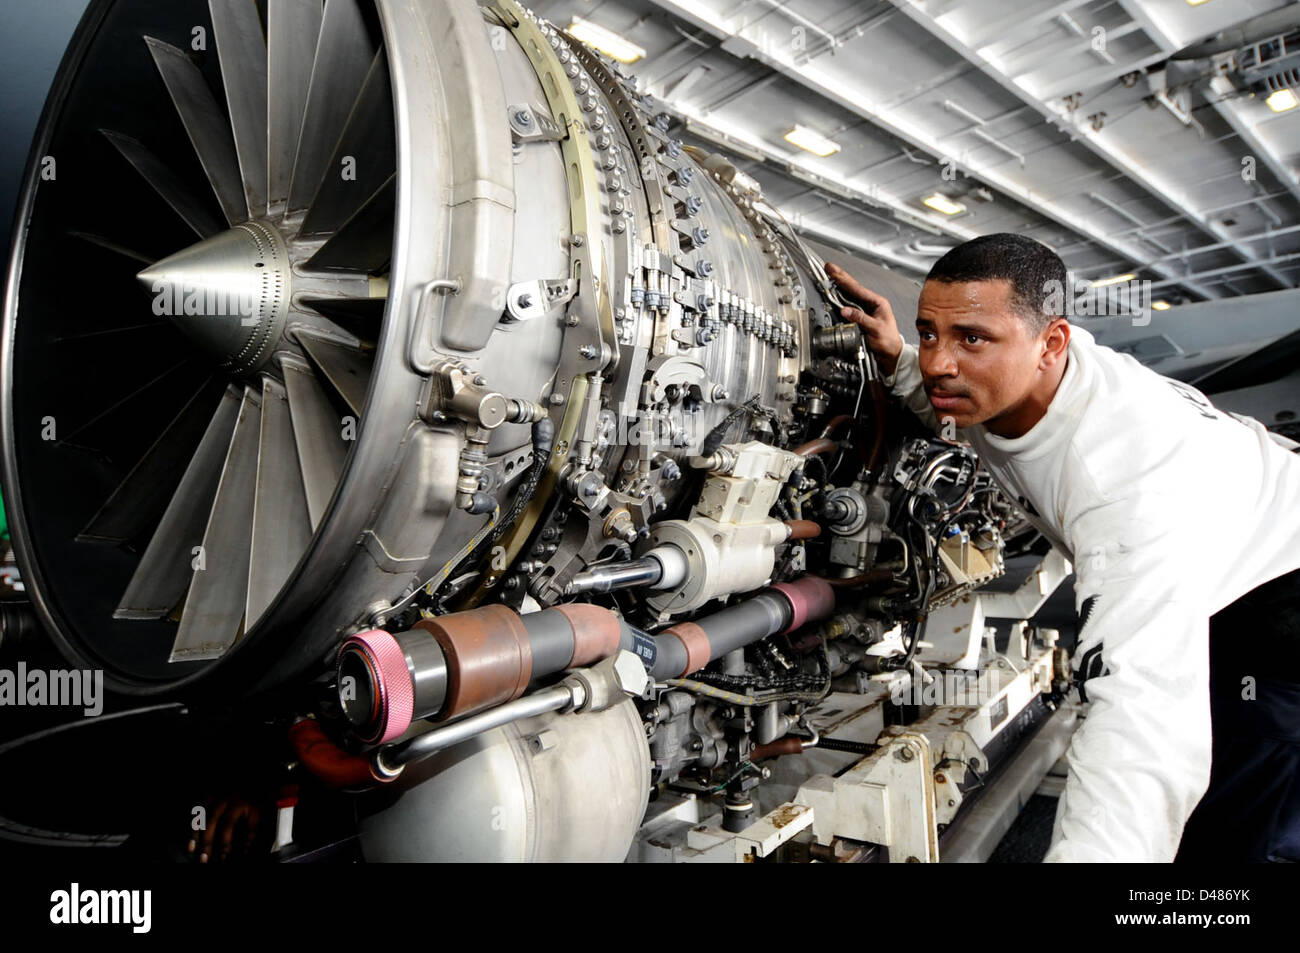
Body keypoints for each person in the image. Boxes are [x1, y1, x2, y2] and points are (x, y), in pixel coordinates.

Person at [826, 233, 1300, 862]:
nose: (941, 362)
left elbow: (1140, 723)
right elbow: (939, 380)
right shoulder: (1013, 381)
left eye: (971, 338)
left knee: (1232, 802)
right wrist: (898, 359)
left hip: (1279, 594)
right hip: (1230, 541)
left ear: (1052, 343)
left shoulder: (1121, 485)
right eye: (930, 332)